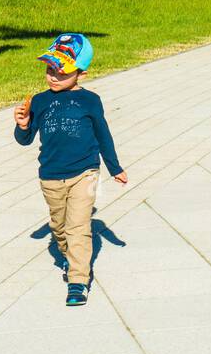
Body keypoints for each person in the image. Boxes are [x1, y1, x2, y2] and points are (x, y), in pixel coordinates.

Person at [13, 33, 127, 307]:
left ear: (81, 73)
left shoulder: (90, 101)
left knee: (78, 226)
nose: (53, 76)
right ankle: (69, 256)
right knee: (59, 226)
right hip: (50, 175)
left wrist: (114, 167)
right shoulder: (39, 101)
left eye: (61, 71)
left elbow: (103, 135)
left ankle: (78, 280)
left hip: (84, 173)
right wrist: (23, 124)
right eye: (50, 69)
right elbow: (25, 141)